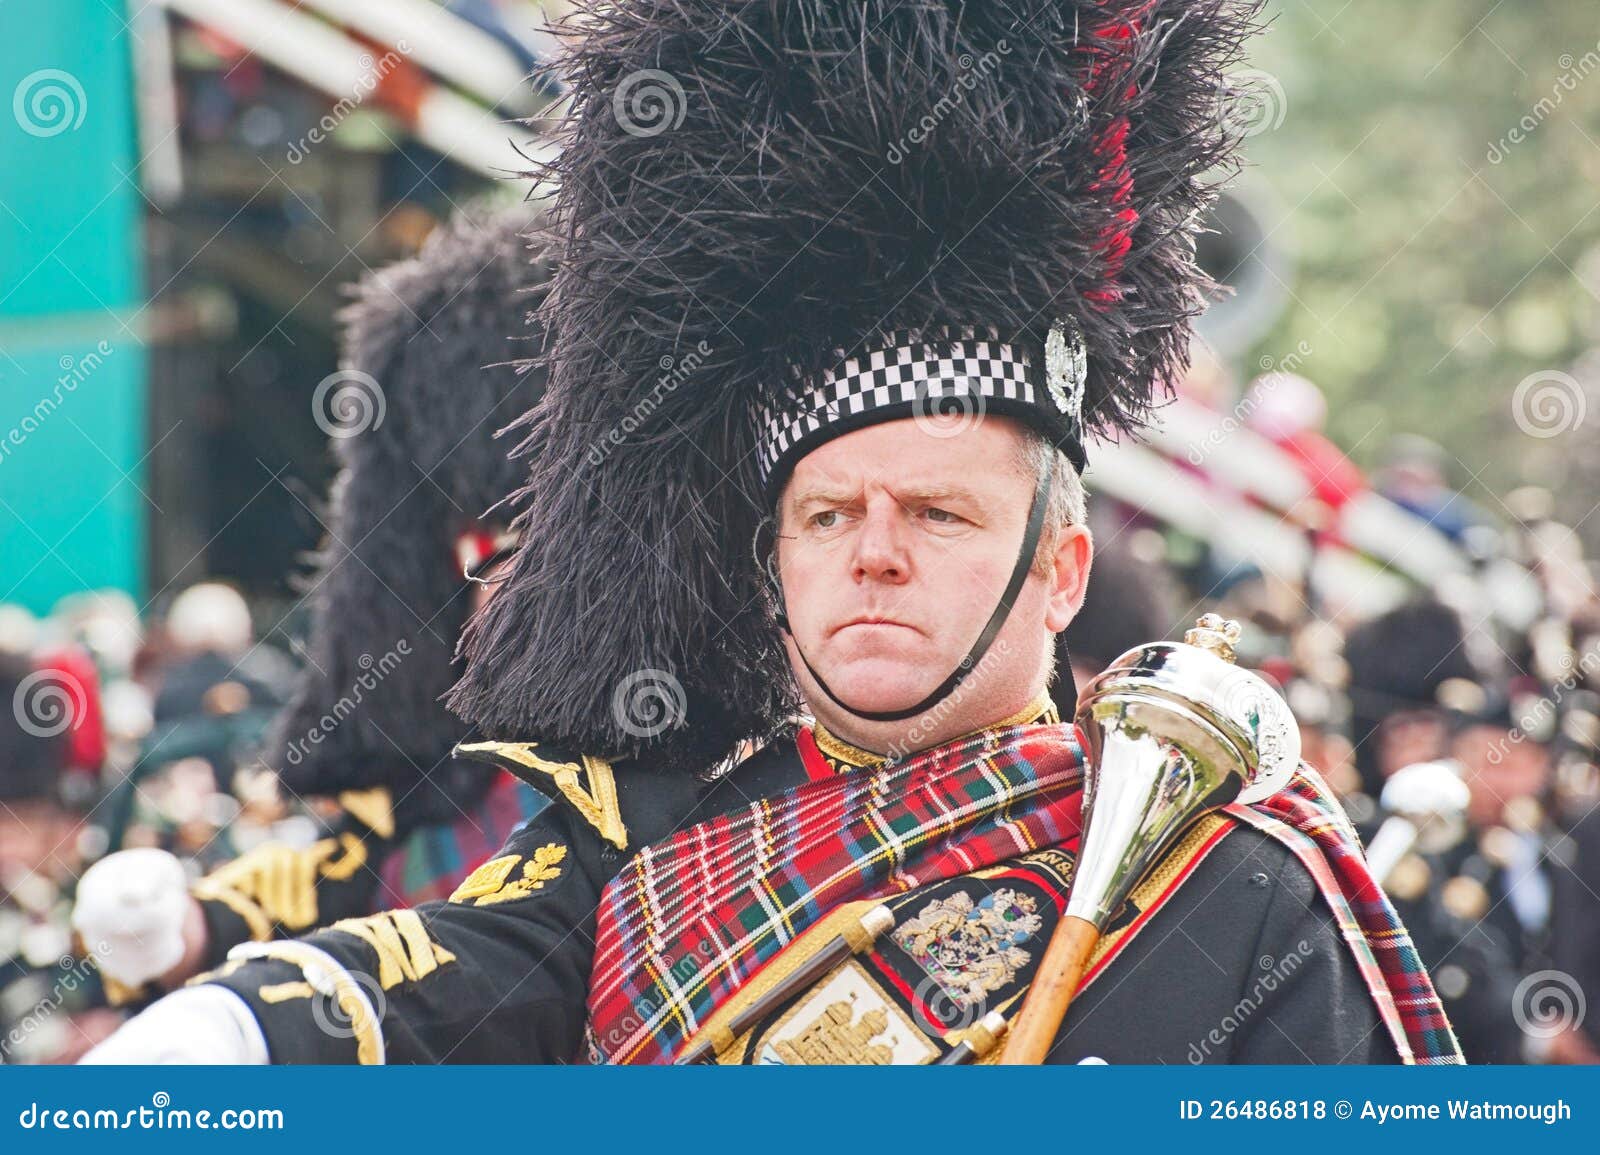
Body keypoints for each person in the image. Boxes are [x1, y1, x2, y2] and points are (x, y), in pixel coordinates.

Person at [87, 0, 1459, 1066]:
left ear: (1061, 570)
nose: (871, 550)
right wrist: (241, 1024)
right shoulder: (647, 819)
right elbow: (460, 965)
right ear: (774, 553)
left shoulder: (1238, 884)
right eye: (825, 513)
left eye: (937, 511)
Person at [70, 206, 552, 1003]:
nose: (504, 587)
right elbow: (319, 885)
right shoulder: (433, 782)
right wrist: (189, 925)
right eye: (487, 549)